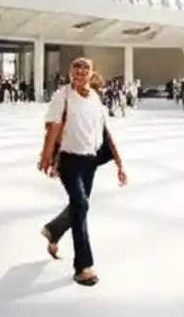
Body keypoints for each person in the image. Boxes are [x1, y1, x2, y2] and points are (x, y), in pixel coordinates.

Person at [38, 58, 127, 287]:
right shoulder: (63, 95)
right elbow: (53, 128)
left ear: (91, 73)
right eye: (76, 68)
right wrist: (46, 157)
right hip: (69, 160)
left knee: (80, 207)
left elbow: (104, 131)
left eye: (85, 68)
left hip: (90, 161)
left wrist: (119, 163)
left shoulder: (96, 98)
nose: (80, 71)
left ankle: (53, 230)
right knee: (81, 205)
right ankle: (83, 266)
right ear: (70, 72)